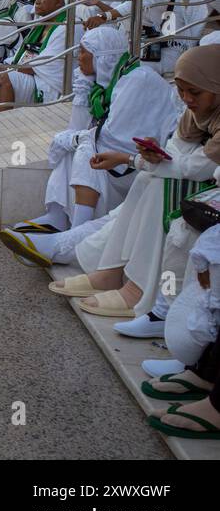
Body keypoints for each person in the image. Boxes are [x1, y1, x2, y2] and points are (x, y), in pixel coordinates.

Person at [50, 45, 220, 318]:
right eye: (181, 90)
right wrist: (138, 159)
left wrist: (136, 161)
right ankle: (112, 273)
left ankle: (138, 288)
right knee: (147, 180)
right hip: (197, 184)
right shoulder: (195, 116)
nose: (187, 98)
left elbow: (198, 168)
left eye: (195, 92)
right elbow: (177, 156)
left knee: (157, 186)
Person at [16, 25, 179, 235]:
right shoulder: (104, 85)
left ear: (103, 57)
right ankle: (57, 216)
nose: (78, 57)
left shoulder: (137, 80)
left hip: (142, 166)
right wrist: (83, 88)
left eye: (84, 52)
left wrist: (75, 138)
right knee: (72, 144)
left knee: (84, 148)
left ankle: (76, 233)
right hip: (120, 161)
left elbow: (113, 138)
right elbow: (78, 128)